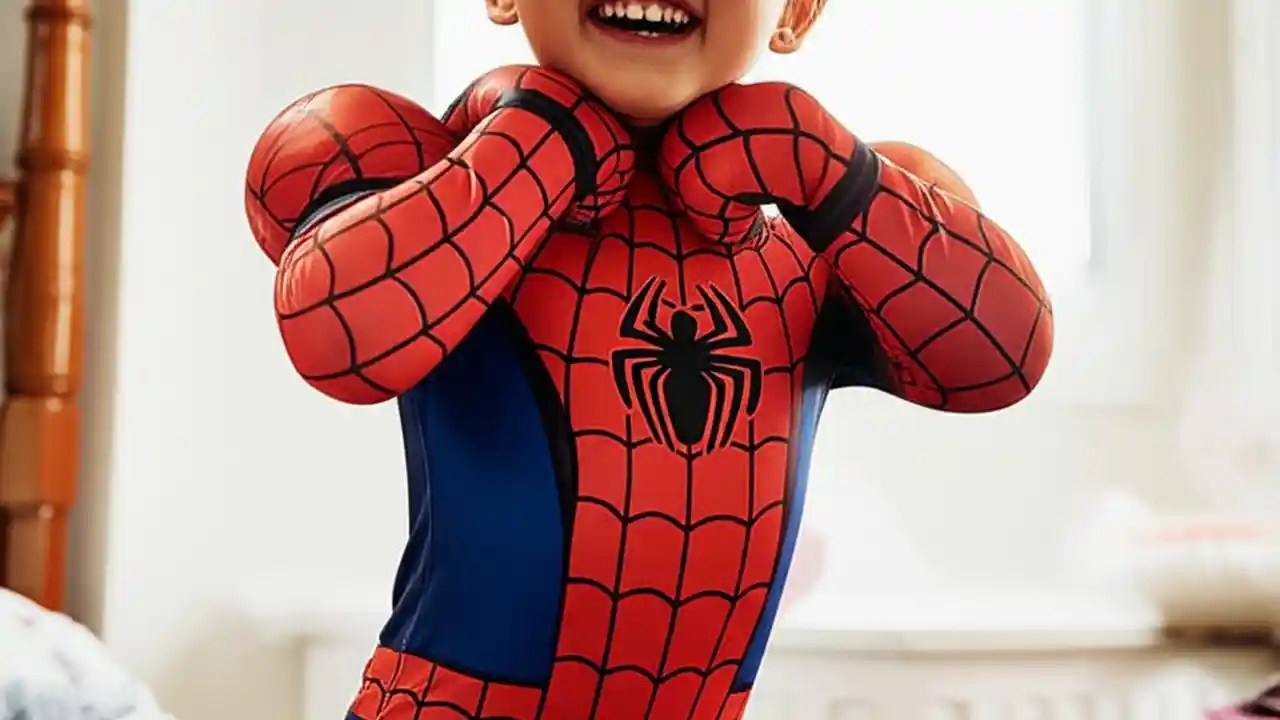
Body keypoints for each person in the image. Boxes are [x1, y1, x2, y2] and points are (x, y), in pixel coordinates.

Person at [243, 1, 1054, 718]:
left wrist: (830, 173)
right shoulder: (418, 167)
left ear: (797, 11)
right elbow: (336, 334)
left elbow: (1002, 358)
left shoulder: (826, 230)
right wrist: (527, 147)